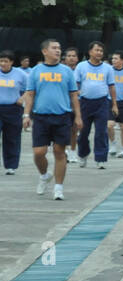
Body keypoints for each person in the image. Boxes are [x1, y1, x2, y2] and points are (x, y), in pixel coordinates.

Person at [21, 39, 81, 200]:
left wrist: (78, 117)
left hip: (62, 116)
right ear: (44, 51)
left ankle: (58, 188)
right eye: (54, 48)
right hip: (41, 117)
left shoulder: (67, 71)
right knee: (39, 152)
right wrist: (26, 115)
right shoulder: (35, 71)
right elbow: (30, 94)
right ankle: (44, 175)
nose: (58, 51)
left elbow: (74, 95)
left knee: (59, 152)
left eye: (59, 48)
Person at [75, 41, 115, 170]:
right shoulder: (81, 66)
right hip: (85, 103)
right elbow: (75, 85)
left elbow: (112, 86)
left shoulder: (108, 68)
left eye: (101, 51)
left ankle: (101, 158)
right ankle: (83, 154)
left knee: (101, 132)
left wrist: (114, 104)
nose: (99, 53)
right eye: (97, 50)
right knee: (83, 132)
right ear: (90, 52)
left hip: (102, 103)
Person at [0, 50, 26, 175]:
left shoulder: (20, 74)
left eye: (6, 61)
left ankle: (11, 165)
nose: (3, 64)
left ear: (11, 62)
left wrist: (23, 98)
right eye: (1, 61)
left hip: (13, 109)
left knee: (12, 138)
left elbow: (30, 89)